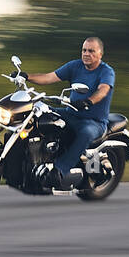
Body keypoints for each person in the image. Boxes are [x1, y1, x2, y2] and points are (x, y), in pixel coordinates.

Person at [26, 37, 115, 190]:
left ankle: (59, 170)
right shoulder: (75, 66)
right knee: (39, 111)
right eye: (84, 50)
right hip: (70, 113)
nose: (86, 54)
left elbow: (103, 90)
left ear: (100, 54)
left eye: (91, 51)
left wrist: (88, 101)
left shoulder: (106, 71)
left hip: (93, 121)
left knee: (86, 133)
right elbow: (49, 77)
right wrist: (26, 76)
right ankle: (35, 157)